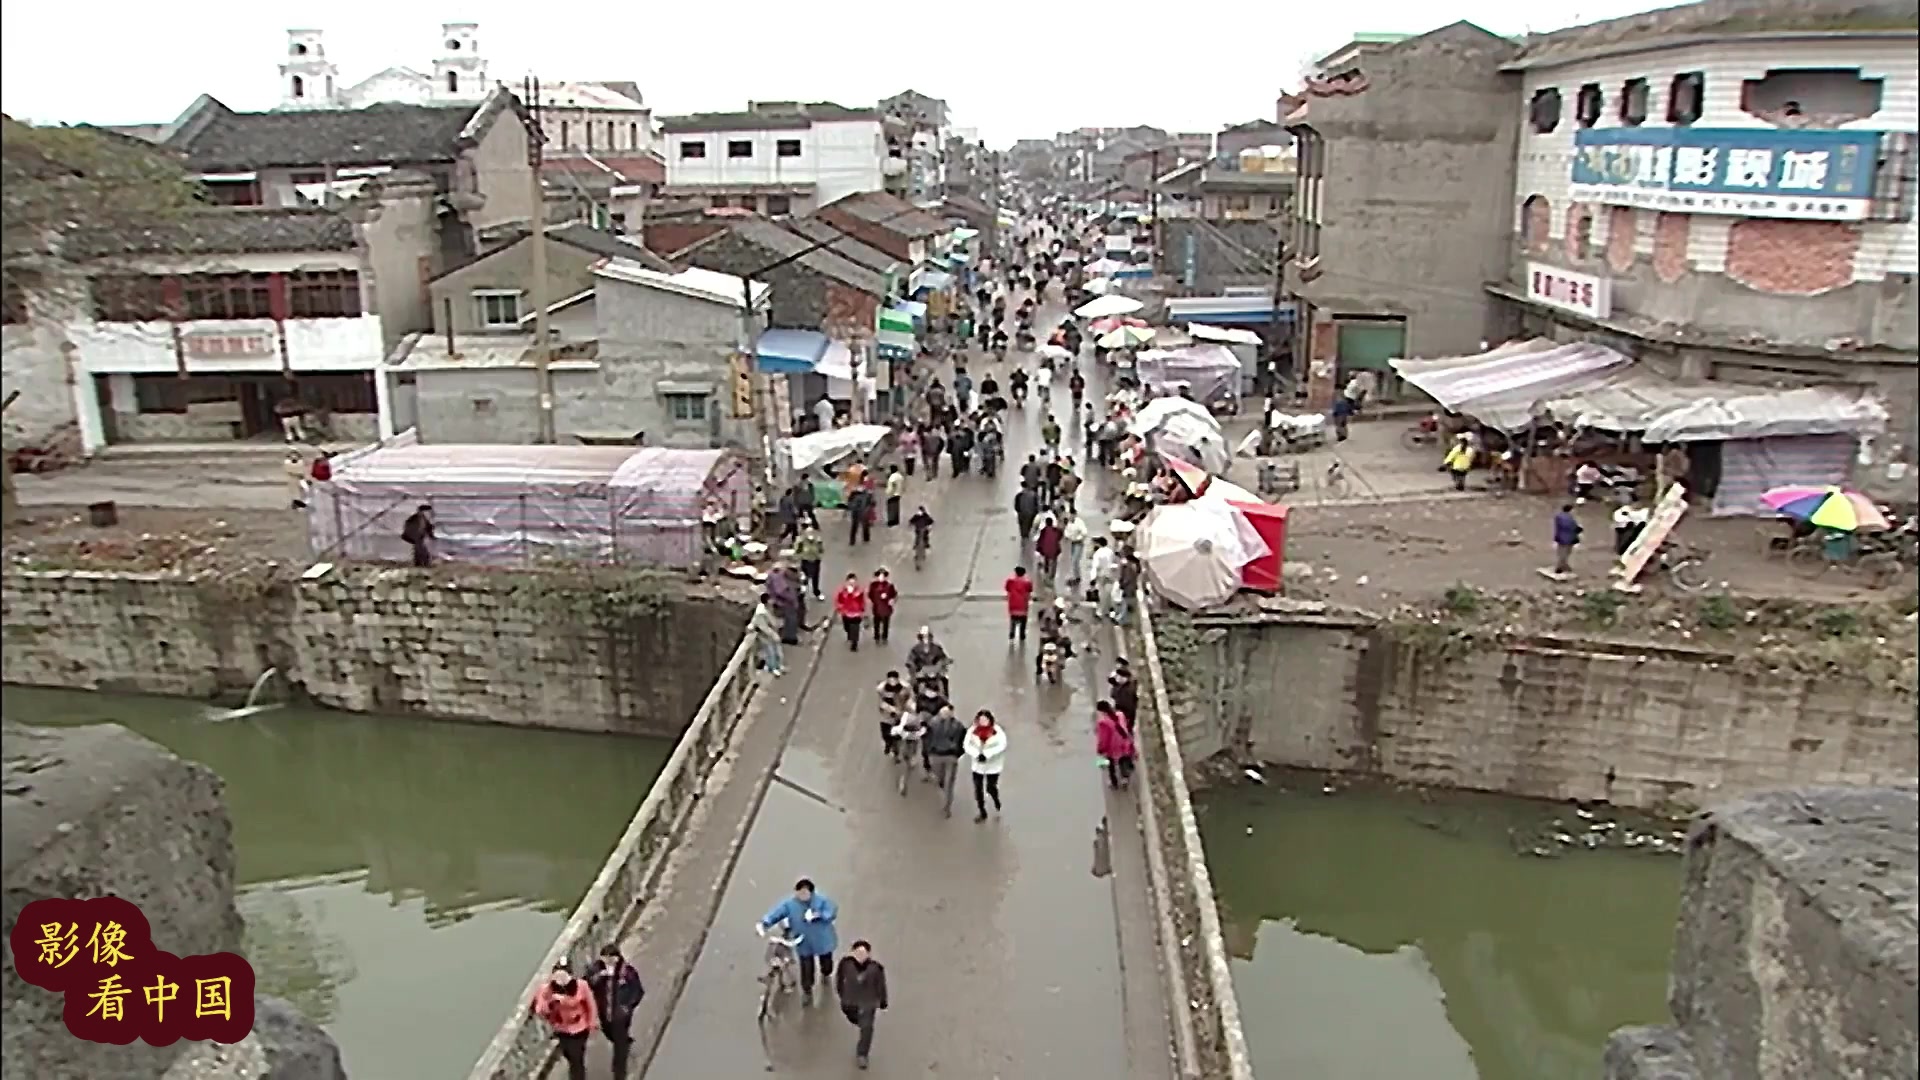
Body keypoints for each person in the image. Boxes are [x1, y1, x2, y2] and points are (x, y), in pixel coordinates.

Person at [760, 879, 839, 1006]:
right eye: (800, 892)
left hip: (822, 940)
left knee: (826, 962)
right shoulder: (790, 905)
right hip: (803, 942)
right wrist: (765, 923)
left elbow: (831, 911)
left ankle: (826, 973)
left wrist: (819, 915)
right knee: (806, 968)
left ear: (811, 893)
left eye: (805, 893)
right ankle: (807, 990)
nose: (802, 896)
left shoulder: (821, 901)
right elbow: (777, 913)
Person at [587, 944, 645, 1080]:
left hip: (620, 1015)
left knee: (619, 1046)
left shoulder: (627, 972)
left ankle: (619, 1073)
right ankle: (625, 1042)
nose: (608, 960)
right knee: (610, 1034)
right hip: (604, 1013)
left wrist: (628, 1006)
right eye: (605, 957)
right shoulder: (596, 970)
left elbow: (637, 990)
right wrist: (600, 976)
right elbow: (587, 984)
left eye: (611, 957)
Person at [530, 961, 598, 1080]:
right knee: (569, 1055)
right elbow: (539, 1008)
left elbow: (590, 1004)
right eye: (557, 975)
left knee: (576, 1058)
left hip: (579, 1028)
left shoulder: (581, 985)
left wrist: (591, 1023)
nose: (560, 978)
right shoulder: (547, 989)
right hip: (561, 1029)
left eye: (564, 975)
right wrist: (551, 1003)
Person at [834, 941, 890, 1070]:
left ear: (869, 954)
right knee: (857, 1020)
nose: (860, 956)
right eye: (857, 952)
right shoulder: (846, 964)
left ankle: (862, 1054)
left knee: (867, 1028)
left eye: (863, 953)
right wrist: (841, 994)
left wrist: (883, 1002)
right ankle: (858, 1021)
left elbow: (881, 985)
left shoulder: (876, 968)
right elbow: (839, 979)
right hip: (849, 1002)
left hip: (868, 1003)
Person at [922, 705, 968, 817]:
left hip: (950, 756)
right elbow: (926, 738)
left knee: (949, 783)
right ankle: (943, 787)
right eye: (943, 713)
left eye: (947, 713)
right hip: (936, 754)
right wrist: (929, 751)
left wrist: (957, 753)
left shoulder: (958, 726)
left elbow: (963, 741)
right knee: (939, 778)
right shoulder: (932, 724)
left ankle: (947, 806)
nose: (944, 715)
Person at [964, 709, 1008, 822]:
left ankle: (996, 801)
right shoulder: (972, 731)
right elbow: (966, 744)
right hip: (977, 765)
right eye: (981, 719)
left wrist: (987, 755)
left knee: (990, 787)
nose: (983, 721)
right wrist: (976, 754)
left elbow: (1002, 745)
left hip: (993, 766)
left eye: (985, 719)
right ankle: (982, 812)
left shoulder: (997, 732)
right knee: (978, 789)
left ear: (990, 720)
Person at [1095, 700, 1136, 790]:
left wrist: (1100, 749)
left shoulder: (1103, 722)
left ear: (1101, 711)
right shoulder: (1120, 715)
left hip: (1112, 747)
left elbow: (1104, 739)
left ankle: (1114, 783)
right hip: (1123, 743)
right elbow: (1125, 728)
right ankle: (1124, 779)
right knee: (1123, 761)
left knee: (1111, 766)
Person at [876, 669, 912, 756]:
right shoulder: (881, 688)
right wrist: (890, 710)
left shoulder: (905, 687)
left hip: (902, 709)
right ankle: (888, 743)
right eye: (890, 679)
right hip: (888, 712)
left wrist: (907, 708)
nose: (892, 682)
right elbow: (881, 702)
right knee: (885, 731)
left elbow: (910, 698)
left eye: (894, 679)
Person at [751, 593, 785, 677]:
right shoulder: (760, 613)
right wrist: (773, 634)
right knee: (770, 651)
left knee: (777, 650)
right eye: (770, 600)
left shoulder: (768, 608)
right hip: (764, 635)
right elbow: (764, 627)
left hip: (772, 631)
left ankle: (779, 665)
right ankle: (773, 668)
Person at [835, 574, 869, 650]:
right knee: (847, 628)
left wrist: (863, 609)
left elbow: (863, 600)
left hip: (856, 613)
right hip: (846, 613)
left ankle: (854, 644)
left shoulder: (860, 591)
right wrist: (840, 608)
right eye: (850, 582)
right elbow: (839, 600)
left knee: (855, 628)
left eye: (853, 582)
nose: (852, 584)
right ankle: (850, 635)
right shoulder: (843, 591)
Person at [1004, 565, 1034, 643]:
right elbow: (1030, 590)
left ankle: (1012, 633)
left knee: (1013, 618)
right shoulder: (1027, 582)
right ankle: (1022, 634)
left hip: (1013, 603)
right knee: (1023, 619)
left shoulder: (1010, 581)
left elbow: (1007, 588)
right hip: (1023, 604)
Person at [868, 568, 898, 644]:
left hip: (886, 608)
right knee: (876, 623)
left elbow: (894, 595)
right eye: (880, 576)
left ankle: (884, 637)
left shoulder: (889, 586)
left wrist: (892, 600)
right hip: (877, 607)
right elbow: (870, 595)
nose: (881, 578)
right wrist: (874, 601)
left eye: (883, 576)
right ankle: (877, 636)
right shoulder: (873, 585)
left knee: (885, 623)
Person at [1553, 503, 1583, 577]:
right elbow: (1573, 528)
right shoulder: (1570, 518)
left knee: (1561, 553)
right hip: (1569, 539)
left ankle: (1563, 566)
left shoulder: (1559, 516)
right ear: (1570, 510)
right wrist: (1579, 529)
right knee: (1566, 553)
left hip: (1560, 538)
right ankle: (1560, 567)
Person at [796, 525, 826, 599]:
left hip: (815, 561)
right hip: (805, 561)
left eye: (811, 532)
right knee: (804, 577)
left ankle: (816, 592)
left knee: (815, 577)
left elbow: (821, 550)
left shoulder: (817, 540)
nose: (810, 534)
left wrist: (820, 544)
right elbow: (798, 551)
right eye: (808, 532)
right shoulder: (802, 541)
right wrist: (799, 544)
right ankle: (802, 592)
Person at [1108, 658, 1139, 727]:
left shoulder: (1128, 688)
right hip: (1123, 710)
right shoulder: (1120, 683)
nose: (1117, 678)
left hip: (1125, 712)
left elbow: (1127, 703)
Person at [1063, 513, 1090, 592]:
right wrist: (1068, 537)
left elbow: (1084, 532)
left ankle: (1075, 577)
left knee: (1075, 560)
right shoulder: (1069, 523)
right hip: (1073, 543)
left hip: (1079, 543)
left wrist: (1079, 538)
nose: (1070, 518)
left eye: (1071, 516)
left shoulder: (1079, 522)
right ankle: (1077, 576)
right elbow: (1066, 532)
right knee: (1073, 560)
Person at [846, 479, 876, 546]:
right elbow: (873, 503)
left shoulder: (854, 493)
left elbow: (849, 503)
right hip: (862, 511)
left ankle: (853, 541)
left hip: (858, 512)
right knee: (863, 526)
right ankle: (864, 539)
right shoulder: (867, 493)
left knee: (856, 526)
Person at [1035, 515, 1064, 581]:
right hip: (1055, 549)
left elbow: (1040, 540)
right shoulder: (1056, 530)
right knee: (1054, 561)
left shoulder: (1044, 530)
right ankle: (1052, 575)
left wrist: (1038, 548)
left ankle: (1046, 571)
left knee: (1046, 559)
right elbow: (1060, 535)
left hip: (1046, 549)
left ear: (1046, 523)